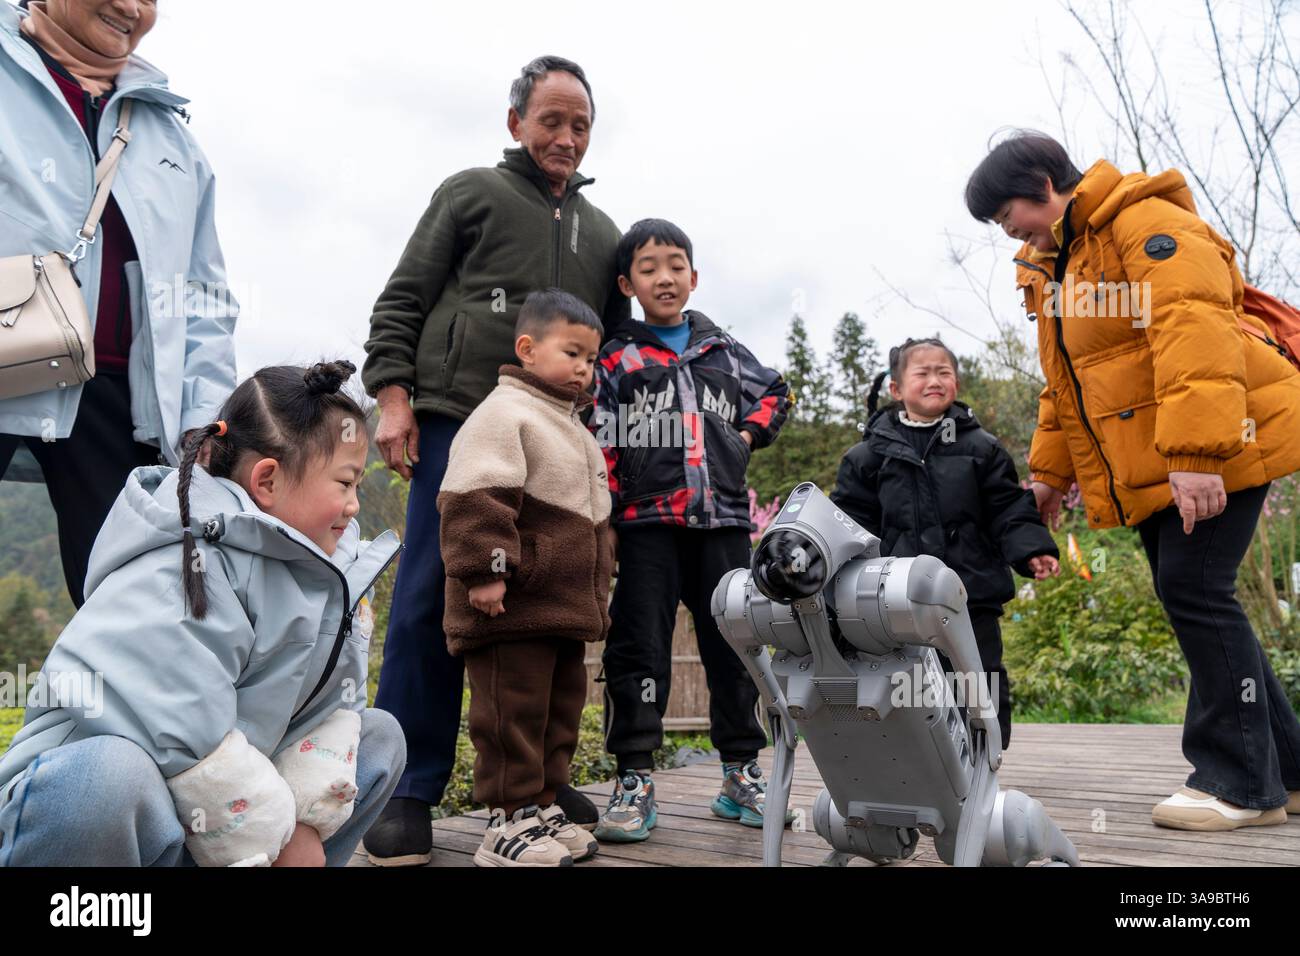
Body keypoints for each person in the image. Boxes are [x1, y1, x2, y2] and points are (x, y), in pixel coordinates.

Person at [965, 131, 1300, 829]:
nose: (1009, 235)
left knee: (1194, 589)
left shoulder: (1146, 225)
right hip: (1160, 453)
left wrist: (1199, 454)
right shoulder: (1052, 265)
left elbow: (1195, 334)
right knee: (1195, 593)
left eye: (1007, 218)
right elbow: (1069, 385)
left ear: (1040, 185)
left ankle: (1239, 784)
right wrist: (1050, 475)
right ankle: (1286, 773)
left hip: (1224, 436)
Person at [360, 55, 629, 865]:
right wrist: (393, 393)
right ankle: (406, 789)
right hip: (458, 422)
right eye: (551, 120)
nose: (566, 137)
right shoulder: (470, 192)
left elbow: (611, 344)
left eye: (580, 124)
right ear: (516, 123)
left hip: (554, 440)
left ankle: (537, 786)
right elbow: (404, 295)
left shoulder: (604, 233)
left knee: (544, 613)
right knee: (428, 601)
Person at [0, 361, 406, 867]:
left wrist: (304, 822)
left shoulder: (328, 575)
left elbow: (326, 712)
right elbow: (184, 729)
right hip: (110, 812)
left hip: (212, 817)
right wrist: (274, 839)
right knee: (107, 778)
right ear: (268, 481)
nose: (353, 507)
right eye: (344, 484)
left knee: (379, 736)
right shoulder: (189, 554)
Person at [0, 0, 239, 607]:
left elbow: (203, 296)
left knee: (129, 601)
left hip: (118, 397)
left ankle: (104, 705)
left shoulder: (171, 135)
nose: (131, 7)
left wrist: (205, 415)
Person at [590, 218, 792, 841]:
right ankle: (634, 778)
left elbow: (774, 392)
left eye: (675, 264)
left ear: (694, 277)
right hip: (647, 526)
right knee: (638, 649)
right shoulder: (617, 357)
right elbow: (600, 440)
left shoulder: (723, 349)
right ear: (628, 283)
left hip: (723, 523)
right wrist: (610, 514)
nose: (665, 277)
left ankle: (740, 773)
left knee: (734, 647)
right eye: (649, 268)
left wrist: (745, 437)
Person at [437, 289, 612, 867]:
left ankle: (541, 805)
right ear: (528, 349)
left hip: (561, 609)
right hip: (510, 608)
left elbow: (595, 526)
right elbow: (475, 498)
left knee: (558, 711)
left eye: (592, 358)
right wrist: (485, 572)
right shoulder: (504, 414)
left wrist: (598, 592)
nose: (584, 368)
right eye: (572, 352)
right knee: (511, 712)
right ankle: (506, 821)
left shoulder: (577, 430)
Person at [830, 336, 1061, 750]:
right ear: (897, 389)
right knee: (908, 687)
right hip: (895, 601)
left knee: (977, 680)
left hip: (969, 594)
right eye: (922, 373)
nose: (935, 379)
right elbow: (849, 524)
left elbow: (1008, 508)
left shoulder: (982, 449)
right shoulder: (867, 457)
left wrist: (1032, 549)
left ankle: (982, 762)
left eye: (944, 372)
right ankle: (918, 767)